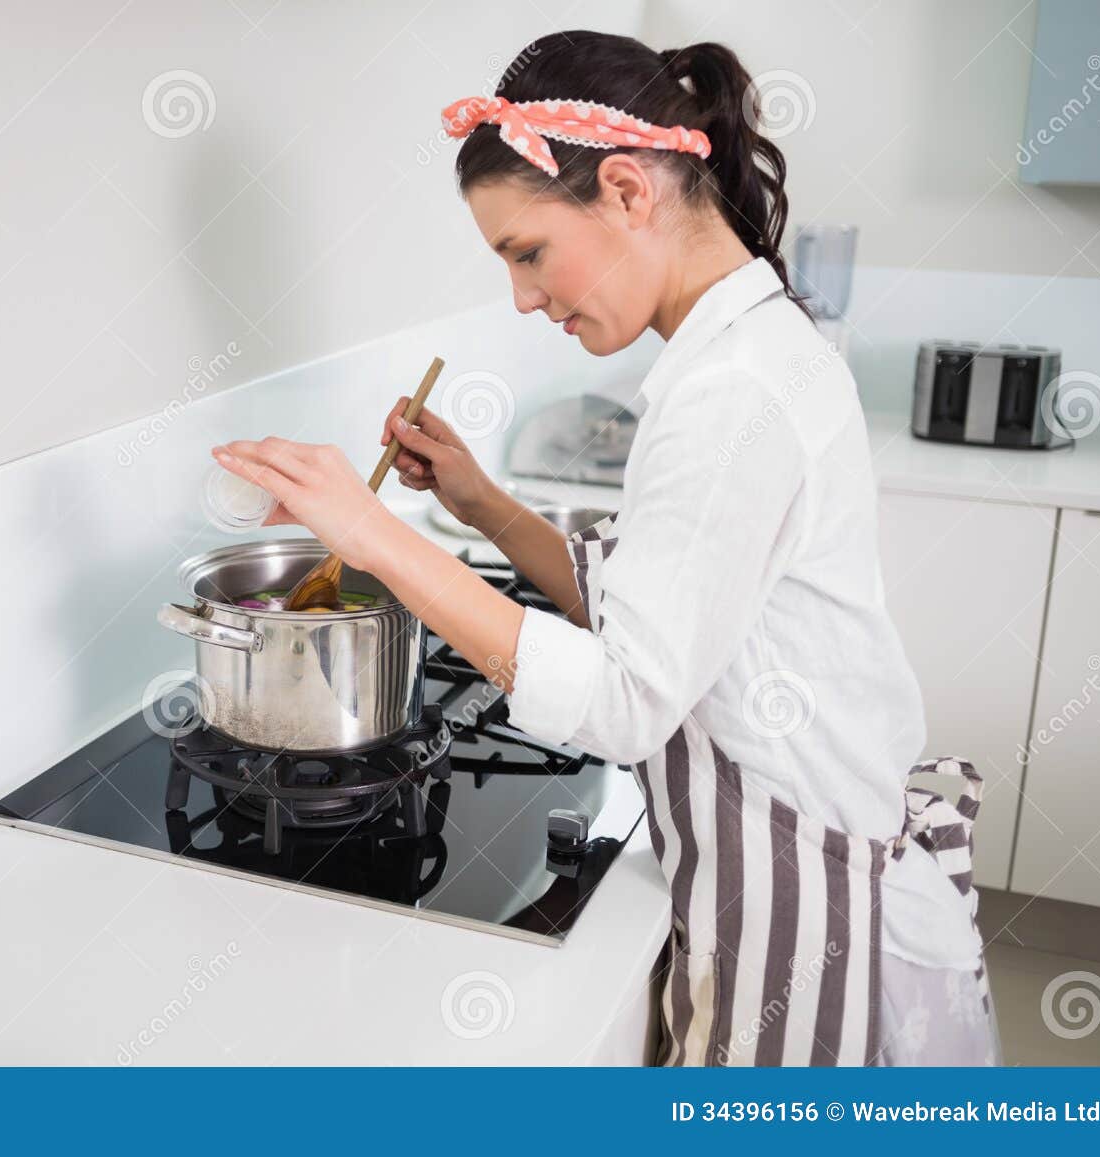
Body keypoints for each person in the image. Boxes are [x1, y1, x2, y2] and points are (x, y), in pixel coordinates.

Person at [211, 30, 999, 1066]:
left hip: (802, 905)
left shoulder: (733, 393)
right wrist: (483, 505)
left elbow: (627, 697)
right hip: (793, 866)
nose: (523, 297)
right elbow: (656, 612)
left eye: (527, 252)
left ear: (627, 190)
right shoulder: (742, 348)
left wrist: (374, 536)